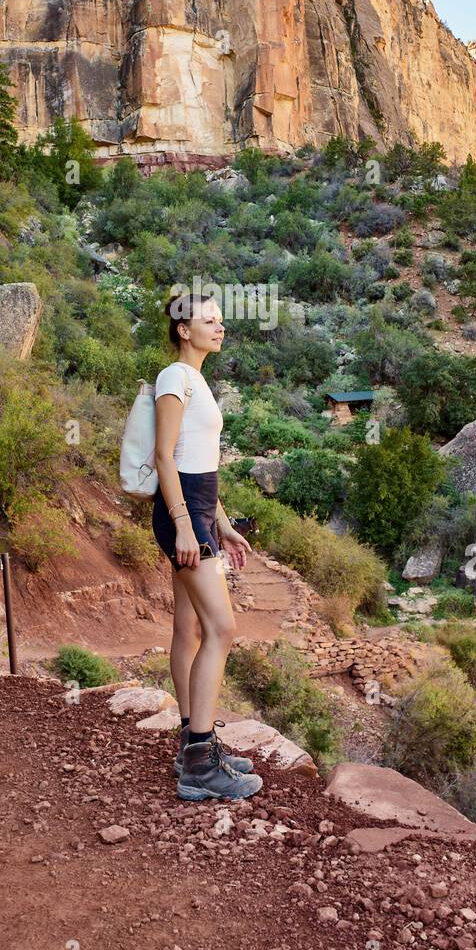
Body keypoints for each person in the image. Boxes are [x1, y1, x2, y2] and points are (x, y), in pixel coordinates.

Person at [152, 292, 264, 801]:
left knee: (190, 627)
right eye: (208, 320)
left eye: (220, 320)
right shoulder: (174, 378)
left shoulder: (196, 380)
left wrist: (219, 523)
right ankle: (200, 760)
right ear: (182, 329)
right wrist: (184, 527)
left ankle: (192, 741)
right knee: (223, 626)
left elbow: (202, 465)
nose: (219, 327)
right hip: (181, 513)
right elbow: (163, 456)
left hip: (197, 510)